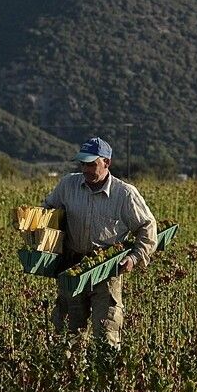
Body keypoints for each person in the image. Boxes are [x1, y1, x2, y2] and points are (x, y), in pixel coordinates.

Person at [43, 136, 157, 347]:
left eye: (91, 164)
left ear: (107, 162)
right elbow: (48, 210)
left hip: (107, 270)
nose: (85, 169)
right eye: (83, 164)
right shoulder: (68, 185)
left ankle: (106, 376)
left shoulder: (124, 194)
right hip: (72, 269)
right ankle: (70, 377)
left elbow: (147, 228)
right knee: (68, 335)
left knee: (106, 333)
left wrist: (134, 258)